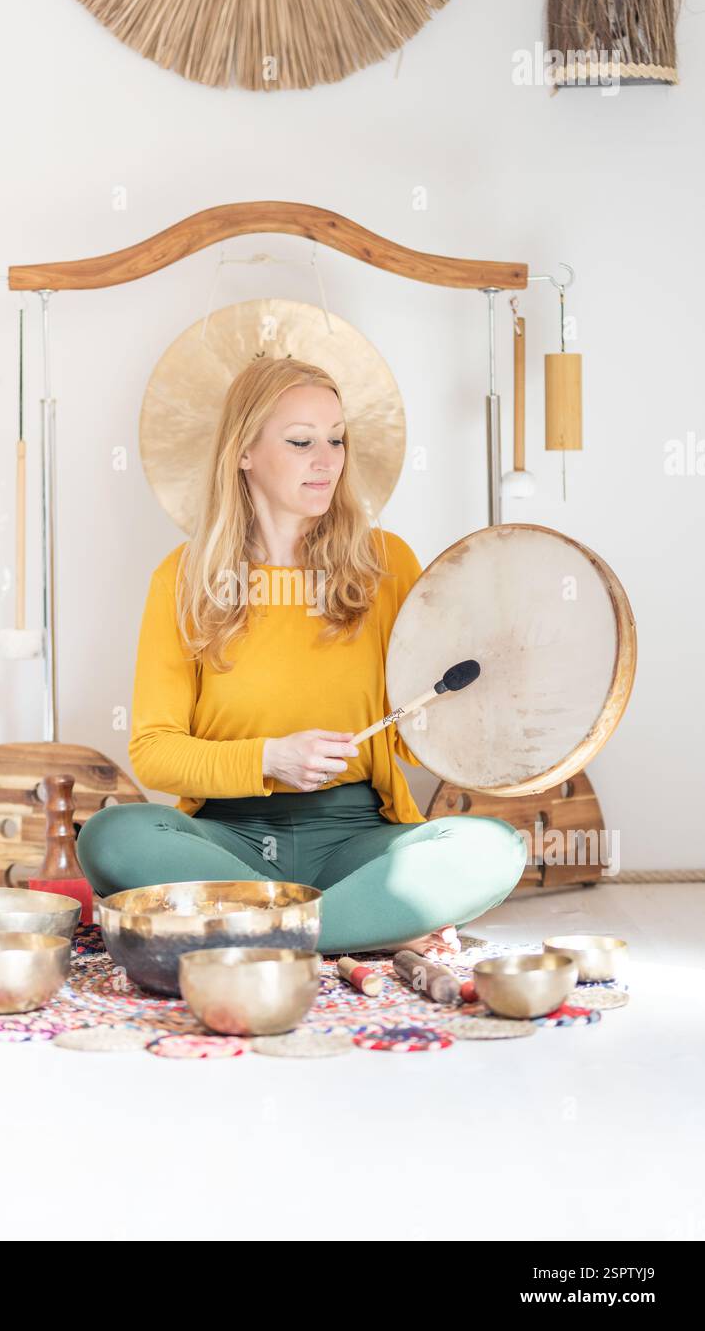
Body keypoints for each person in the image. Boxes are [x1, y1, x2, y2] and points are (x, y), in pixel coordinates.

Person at [76, 356, 527, 956]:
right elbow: (154, 752)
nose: (328, 460)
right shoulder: (182, 580)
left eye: (337, 439)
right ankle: (353, 927)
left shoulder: (387, 564)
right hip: (227, 839)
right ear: (244, 452)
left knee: (495, 846)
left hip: (360, 842)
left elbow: (421, 729)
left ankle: (260, 931)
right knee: (112, 836)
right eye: (301, 441)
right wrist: (269, 758)